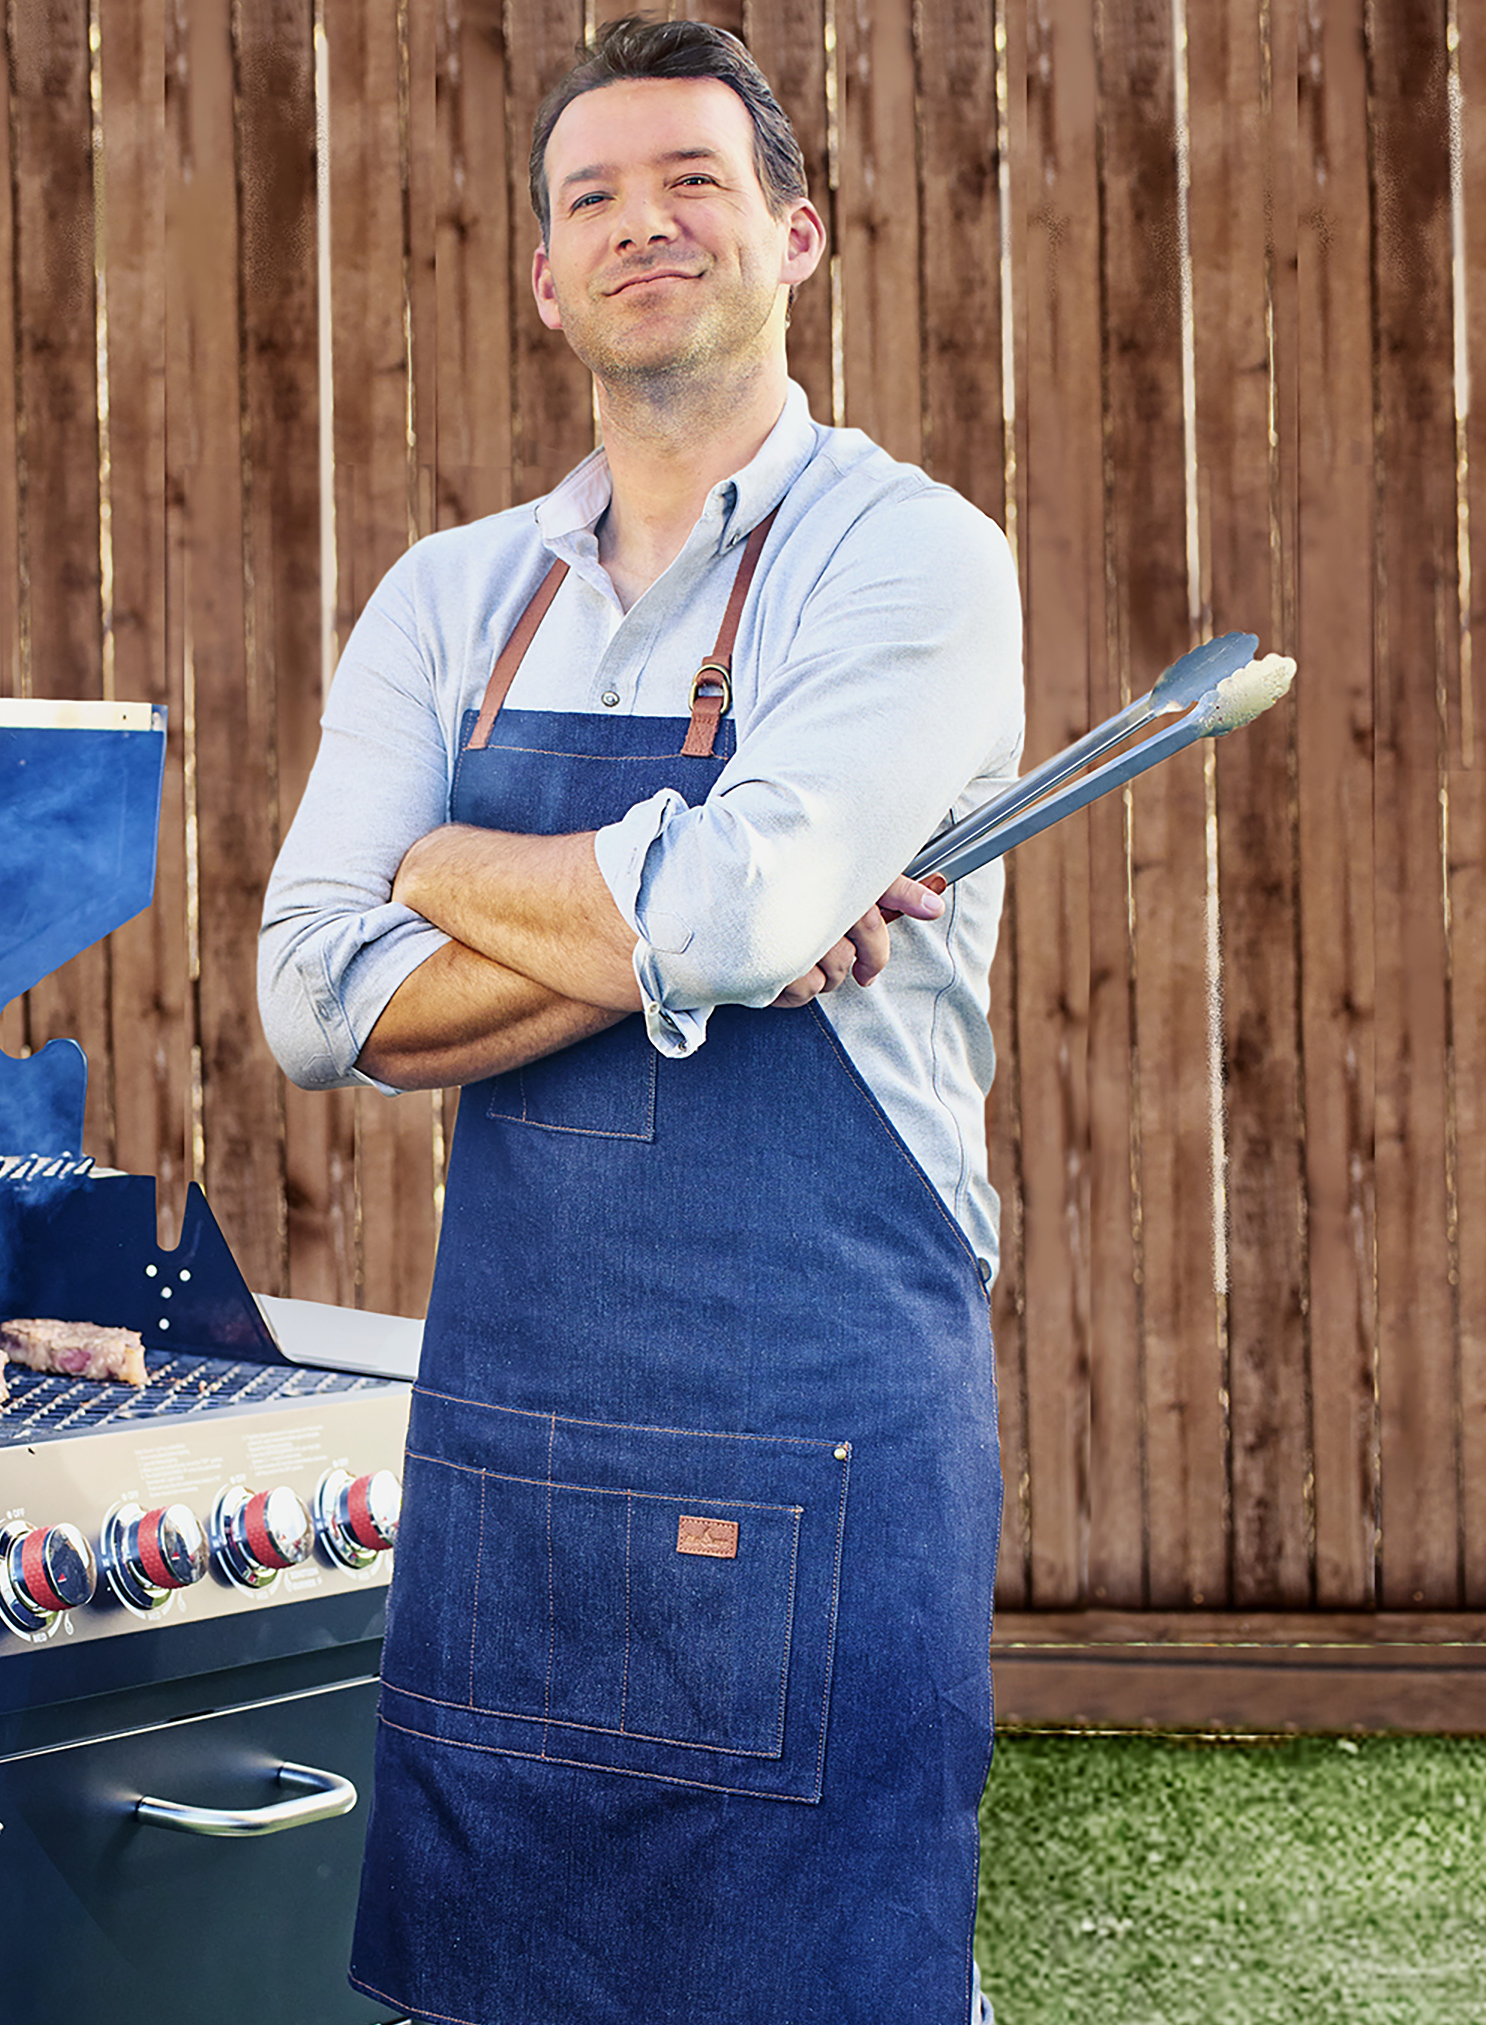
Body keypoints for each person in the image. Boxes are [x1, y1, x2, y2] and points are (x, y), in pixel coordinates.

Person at [257, 17, 1022, 2024]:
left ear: (799, 232)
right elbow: (309, 994)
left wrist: (443, 859)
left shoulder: (908, 555)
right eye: (591, 194)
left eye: (692, 180)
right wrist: (670, 912)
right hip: (518, 1454)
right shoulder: (449, 596)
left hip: (824, 1431)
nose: (641, 223)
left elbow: (753, 903)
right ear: (543, 276)